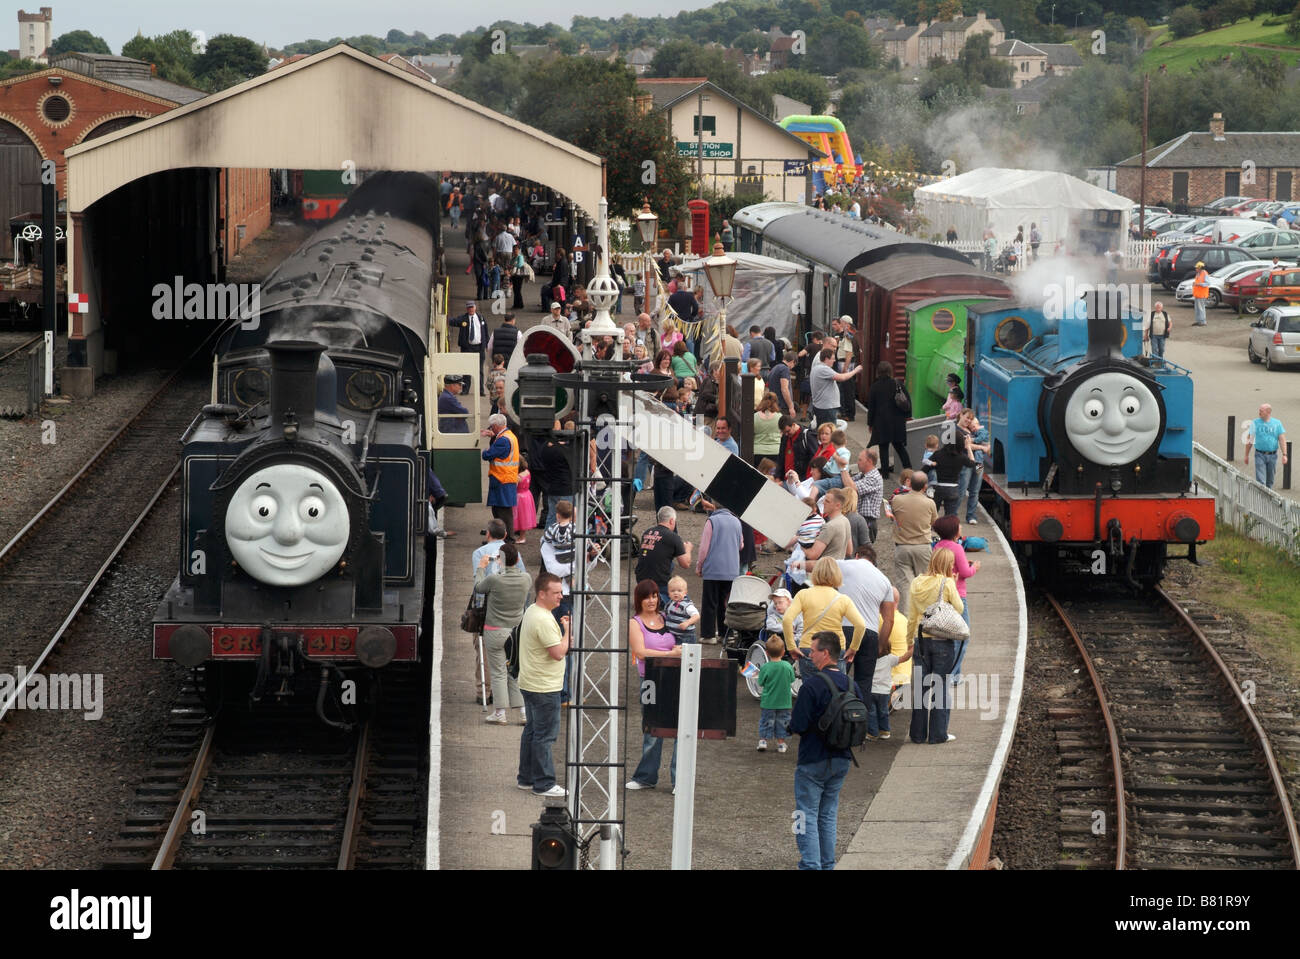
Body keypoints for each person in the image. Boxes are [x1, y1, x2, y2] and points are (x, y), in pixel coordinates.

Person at [788, 630, 863, 870]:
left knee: (804, 815)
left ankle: (810, 865)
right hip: (842, 758)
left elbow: (798, 725)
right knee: (828, 814)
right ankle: (827, 864)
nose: (810, 655)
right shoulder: (853, 685)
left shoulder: (811, 686)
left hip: (812, 759)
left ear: (826, 653)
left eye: (813, 650)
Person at [516, 572, 571, 797]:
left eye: (561, 592)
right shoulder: (545, 619)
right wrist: (568, 632)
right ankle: (544, 783)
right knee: (545, 735)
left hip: (530, 681)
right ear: (542, 593)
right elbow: (558, 653)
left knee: (532, 731)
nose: (561, 597)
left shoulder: (531, 611)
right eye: (556, 593)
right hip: (544, 686)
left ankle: (526, 778)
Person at [626, 580, 683, 791]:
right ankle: (646, 777)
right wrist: (670, 654)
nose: (651, 601)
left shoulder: (667, 617)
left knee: (680, 727)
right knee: (652, 728)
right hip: (649, 679)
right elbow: (640, 652)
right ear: (639, 599)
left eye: (655, 596)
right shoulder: (635, 622)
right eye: (647, 597)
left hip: (674, 677)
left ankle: (679, 780)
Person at [906, 549, 964, 745]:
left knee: (920, 689)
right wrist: (953, 584)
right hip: (941, 640)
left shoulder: (916, 582)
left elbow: (912, 615)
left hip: (920, 640)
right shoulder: (946, 582)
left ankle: (917, 735)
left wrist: (909, 640)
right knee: (940, 687)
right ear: (948, 565)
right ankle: (938, 734)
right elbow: (959, 608)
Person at [781, 557, 868, 682]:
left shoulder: (803, 594)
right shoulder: (843, 599)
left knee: (811, 692)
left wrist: (791, 646)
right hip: (835, 650)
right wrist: (853, 648)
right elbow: (860, 625)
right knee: (836, 692)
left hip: (809, 648)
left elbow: (787, 620)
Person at [833, 542, 896, 706]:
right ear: (874, 562)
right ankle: (860, 724)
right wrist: (880, 646)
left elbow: (819, 566)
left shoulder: (846, 565)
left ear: (857, 556)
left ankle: (836, 722)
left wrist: (798, 564)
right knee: (864, 684)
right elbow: (889, 620)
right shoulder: (884, 580)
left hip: (845, 629)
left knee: (837, 679)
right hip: (870, 633)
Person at [474, 541, 530, 726]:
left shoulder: (495, 579)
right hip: (516, 632)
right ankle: (522, 713)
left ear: (500, 559)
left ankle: (500, 713)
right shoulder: (526, 579)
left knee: (498, 672)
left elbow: (479, 587)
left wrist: (482, 567)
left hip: (495, 630)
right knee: (515, 670)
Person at [932, 513, 979, 677]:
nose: (961, 527)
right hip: (957, 595)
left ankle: (955, 675)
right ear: (954, 530)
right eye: (959, 525)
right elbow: (965, 572)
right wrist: (975, 568)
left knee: (948, 636)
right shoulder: (957, 548)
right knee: (962, 636)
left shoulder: (937, 546)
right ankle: (951, 675)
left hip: (940, 594)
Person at [696, 504, 743, 643]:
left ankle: (708, 635)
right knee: (725, 603)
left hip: (713, 569)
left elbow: (704, 548)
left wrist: (699, 566)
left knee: (710, 602)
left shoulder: (712, 521)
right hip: (731, 570)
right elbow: (741, 545)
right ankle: (725, 634)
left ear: (714, 506)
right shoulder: (736, 521)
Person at [892, 472, 938, 606]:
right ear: (925, 486)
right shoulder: (930, 503)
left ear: (909, 483)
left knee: (905, 587)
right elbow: (934, 523)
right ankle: (925, 619)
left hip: (902, 547)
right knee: (925, 585)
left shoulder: (897, 500)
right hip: (923, 547)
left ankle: (907, 620)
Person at [635, 506, 693, 608]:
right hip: (660, 582)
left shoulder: (647, 532)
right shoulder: (673, 537)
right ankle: (658, 598)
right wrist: (687, 549)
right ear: (671, 521)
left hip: (641, 580)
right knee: (684, 600)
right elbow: (685, 564)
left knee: (664, 559)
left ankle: (645, 595)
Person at [866, 361, 912, 477]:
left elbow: (871, 407)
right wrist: (907, 416)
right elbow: (907, 401)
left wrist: (870, 424)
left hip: (882, 422)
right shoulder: (898, 384)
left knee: (883, 447)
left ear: (878, 372)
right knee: (899, 446)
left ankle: (885, 473)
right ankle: (909, 469)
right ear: (890, 371)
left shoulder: (875, 387)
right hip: (898, 422)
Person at [481, 413, 520, 541]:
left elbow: (488, 455)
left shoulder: (503, 440)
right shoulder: (508, 436)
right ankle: (502, 536)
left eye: (492, 427)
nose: (491, 429)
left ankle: (507, 537)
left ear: (496, 426)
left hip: (502, 478)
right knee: (501, 510)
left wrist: (485, 451)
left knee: (502, 511)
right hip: (505, 478)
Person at [757, 635, 796, 753]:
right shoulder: (787, 666)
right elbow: (792, 679)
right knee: (783, 721)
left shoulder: (765, 667)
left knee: (766, 720)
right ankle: (781, 743)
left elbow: (761, 682)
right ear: (783, 652)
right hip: (784, 701)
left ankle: (763, 741)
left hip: (768, 701)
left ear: (767, 652)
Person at [868, 639, 912, 740]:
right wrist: (911, 650)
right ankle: (885, 731)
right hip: (884, 692)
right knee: (883, 711)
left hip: (871, 690)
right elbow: (904, 658)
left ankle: (872, 733)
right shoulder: (890, 658)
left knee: (871, 712)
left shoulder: (869, 658)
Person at [810, 348, 860, 427]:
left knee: (822, 431)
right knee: (829, 433)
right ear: (826, 359)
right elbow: (841, 378)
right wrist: (855, 371)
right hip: (827, 408)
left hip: (822, 406)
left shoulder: (816, 368)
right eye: (832, 359)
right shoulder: (824, 369)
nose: (834, 361)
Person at [1243, 403, 1288, 488]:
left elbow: (1282, 439)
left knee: (1270, 481)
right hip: (1259, 455)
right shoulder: (1255, 423)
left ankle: (1269, 499)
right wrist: (1246, 455)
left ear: (1268, 412)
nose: (1259, 412)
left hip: (1273, 455)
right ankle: (1261, 499)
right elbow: (1250, 440)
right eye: (1259, 410)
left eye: (1261, 411)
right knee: (1261, 480)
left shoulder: (1277, 423)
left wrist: (1284, 454)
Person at [933, 434, 976, 517]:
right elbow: (973, 463)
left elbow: (926, 468)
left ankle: (931, 527)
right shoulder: (961, 456)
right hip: (953, 488)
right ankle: (951, 527)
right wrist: (969, 447)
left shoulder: (938, 454)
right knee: (950, 516)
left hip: (939, 487)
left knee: (933, 514)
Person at [451, 300, 488, 394]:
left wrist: (486, 344)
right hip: (467, 347)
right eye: (469, 308)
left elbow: (485, 331)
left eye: (472, 307)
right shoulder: (463, 318)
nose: (471, 309)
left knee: (479, 370)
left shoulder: (480, 318)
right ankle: (465, 389)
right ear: (467, 309)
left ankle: (481, 390)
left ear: (475, 307)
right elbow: (454, 321)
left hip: (479, 347)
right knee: (467, 369)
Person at [853, 448, 884, 543]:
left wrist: (842, 469)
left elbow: (852, 487)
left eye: (860, 460)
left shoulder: (873, 478)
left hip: (867, 522)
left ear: (869, 461)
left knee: (864, 553)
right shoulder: (863, 474)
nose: (857, 462)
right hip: (862, 520)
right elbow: (849, 481)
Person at [664, 575, 701, 645]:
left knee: (687, 654)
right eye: (672, 591)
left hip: (686, 637)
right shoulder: (671, 602)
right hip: (674, 635)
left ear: (685, 593)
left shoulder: (686, 605)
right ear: (668, 593)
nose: (676, 593)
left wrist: (687, 623)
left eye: (679, 591)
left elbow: (696, 616)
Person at [779, 415, 818, 480]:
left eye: (788, 431)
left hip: (801, 480)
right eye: (784, 432)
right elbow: (781, 457)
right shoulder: (785, 436)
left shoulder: (808, 435)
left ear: (794, 425)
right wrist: (778, 476)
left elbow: (815, 458)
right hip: (786, 479)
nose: (786, 434)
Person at [513, 453, 537, 545]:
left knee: (518, 516)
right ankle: (522, 536)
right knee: (524, 517)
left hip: (519, 497)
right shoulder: (527, 472)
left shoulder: (517, 477)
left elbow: (513, 487)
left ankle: (521, 537)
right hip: (527, 495)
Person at [768, 349, 797, 417]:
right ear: (792, 361)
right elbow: (784, 389)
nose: (792, 368)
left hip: (774, 403)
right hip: (782, 405)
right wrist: (791, 407)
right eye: (794, 365)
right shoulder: (784, 369)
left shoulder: (775, 367)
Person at [1192, 261, 1210, 326]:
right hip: (1197, 294)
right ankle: (1198, 321)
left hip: (1202, 294)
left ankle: (1203, 322)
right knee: (1197, 308)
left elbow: (1207, 283)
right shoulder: (1198, 274)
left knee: (1201, 308)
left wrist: (1198, 284)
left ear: (1200, 268)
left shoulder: (1204, 273)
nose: (1196, 269)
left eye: (1197, 268)